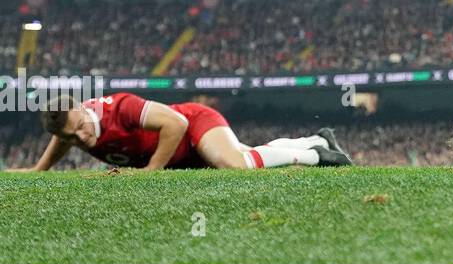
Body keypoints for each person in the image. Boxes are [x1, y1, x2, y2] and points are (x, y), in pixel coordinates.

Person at [6, 92, 351, 171]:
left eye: (80, 128)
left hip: (193, 124)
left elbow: (177, 123)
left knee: (234, 165)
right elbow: (62, 136)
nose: (81, 139)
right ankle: (316, 139)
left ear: (83, 108)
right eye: (72, 137)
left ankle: (314, 155)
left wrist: (151, 171)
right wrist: (39, 169)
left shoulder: (120, 108)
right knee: (249, 154)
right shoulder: (70, 127)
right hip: (182, 150)